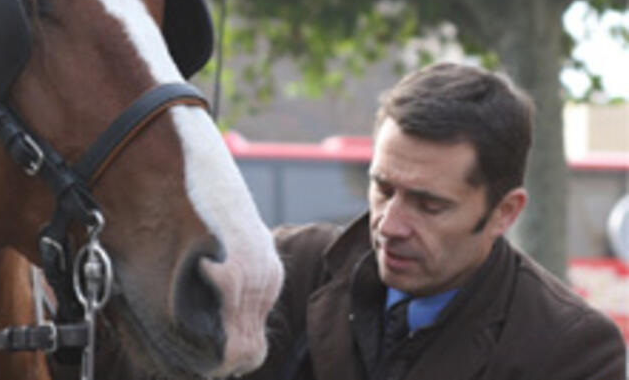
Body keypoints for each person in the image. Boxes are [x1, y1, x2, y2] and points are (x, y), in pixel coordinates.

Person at [244, 62, 626, 380]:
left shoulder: (573, 351)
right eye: (383, 189)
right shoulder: (288, 269)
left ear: (504, 212)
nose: (390, 226)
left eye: (429, 206)